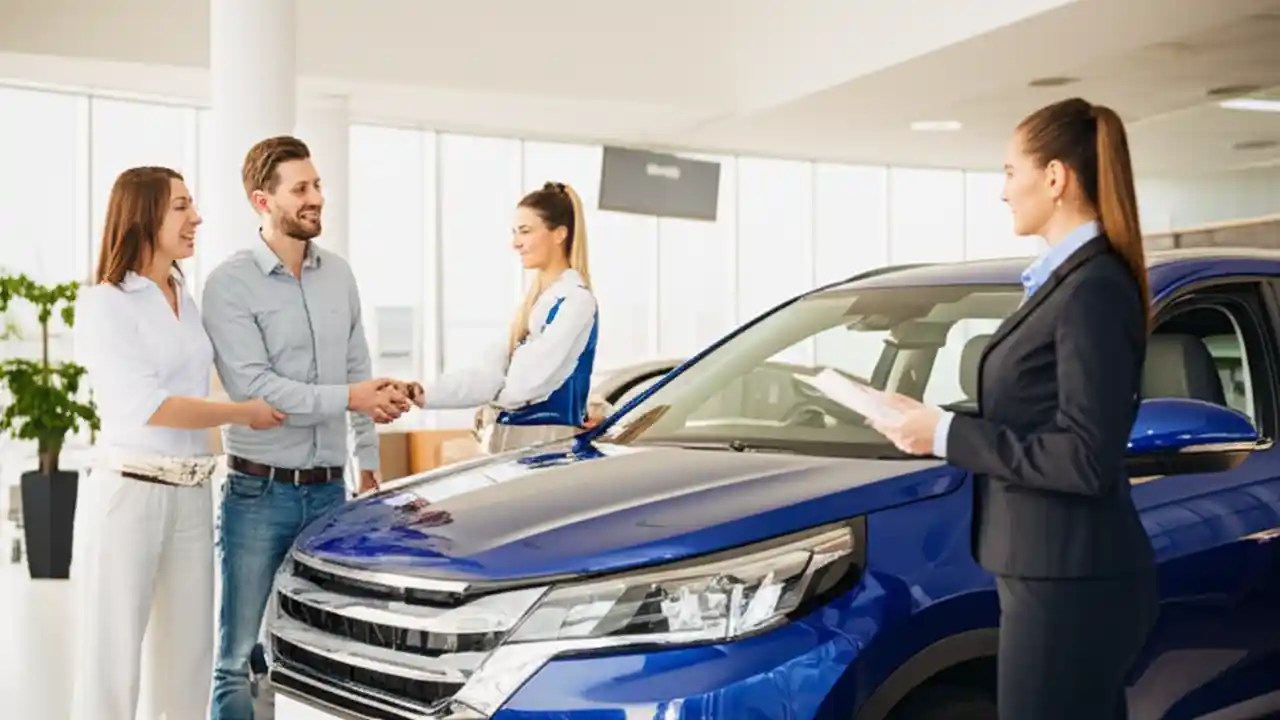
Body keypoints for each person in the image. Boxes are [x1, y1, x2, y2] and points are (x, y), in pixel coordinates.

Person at [873, 97, 1158, 719]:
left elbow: (1085, 457)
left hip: (1073, 578)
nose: (1003, 190)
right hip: (1048, 571)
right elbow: (1035, 415)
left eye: (1009, 171)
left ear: (1054, 178)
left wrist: (946, 434)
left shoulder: (1093, 289)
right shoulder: (1064, 283)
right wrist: (928, 421)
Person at [201, 136, 410, 719]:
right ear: (262, 201)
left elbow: (358, 369)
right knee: (241, 656)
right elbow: (258, 390)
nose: (316, 197)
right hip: (258, 494)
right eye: (301, 189)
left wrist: (369, 463)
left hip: (329, 493)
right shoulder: (229, 284)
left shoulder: (337, 275)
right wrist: (352, 398)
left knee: (329, 653)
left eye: (317, 185)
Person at [69, 166, 284, 720]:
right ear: (143, 215)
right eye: (182, 207)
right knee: (113, 658)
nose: (197, 218)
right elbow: (150, 405)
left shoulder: (184, 297)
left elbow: (203, 382)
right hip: (129, 495)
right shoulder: (105, 303)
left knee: (189, 659)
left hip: (192, 494)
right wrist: (244, 413)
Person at [409, 181, 600, 452]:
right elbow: (487, 373)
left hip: (547, 446)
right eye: (514, 232)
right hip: (512, 442)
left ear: (559, 234)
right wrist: (421, 392)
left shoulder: (576, 302)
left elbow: (523, 385)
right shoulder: (532, 304)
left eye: (525, 231)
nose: (516, 243)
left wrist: (492, 393)